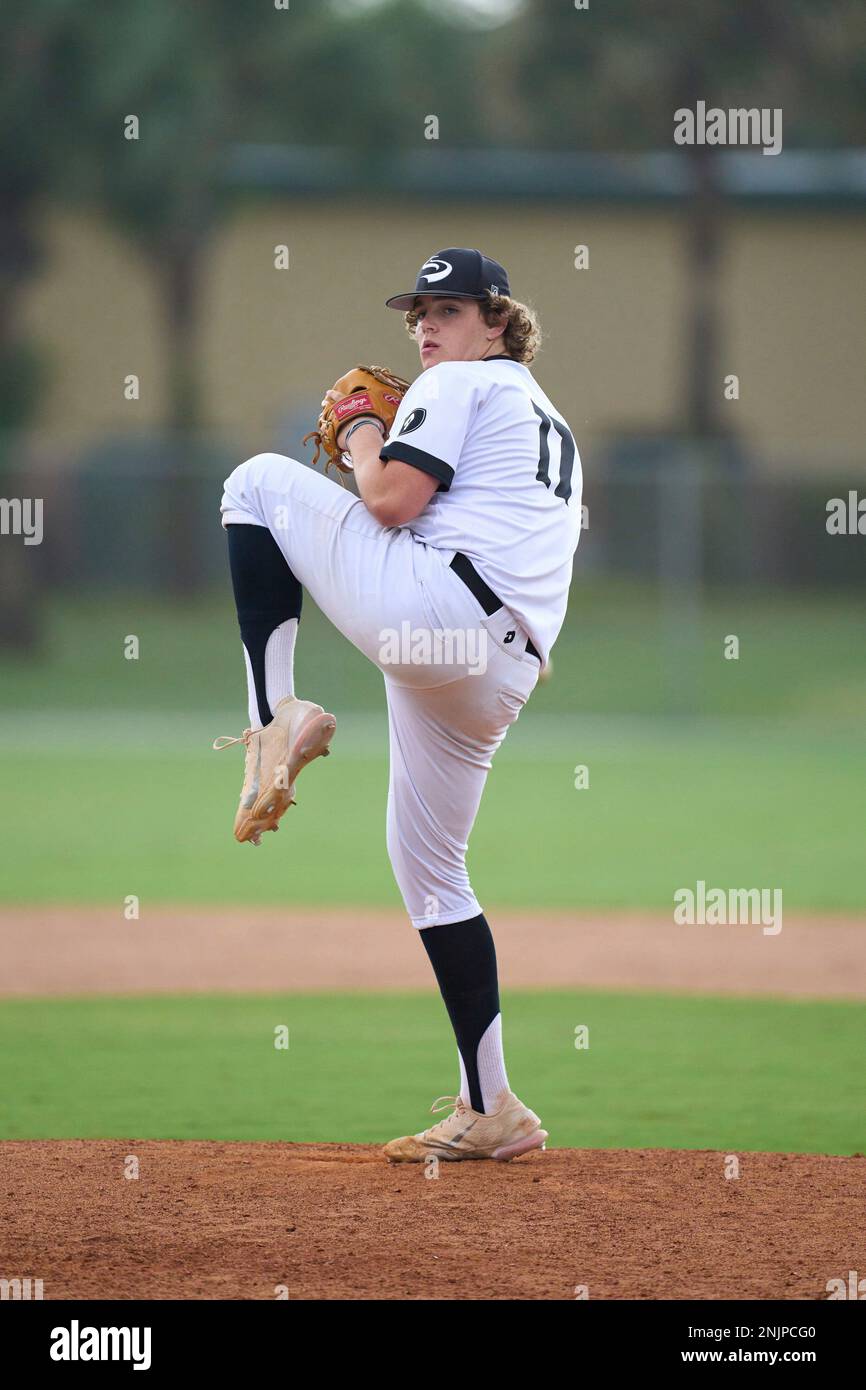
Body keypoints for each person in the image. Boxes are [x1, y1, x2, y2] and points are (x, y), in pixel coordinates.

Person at [216, 248, 582, 1162]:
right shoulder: (553, 426)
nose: (428, 327)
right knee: (432, 874)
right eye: (419, 311)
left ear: (499, 323)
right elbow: (493, 529)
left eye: (451, 309)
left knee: (255, 484)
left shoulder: (464, 384)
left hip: (438, 615)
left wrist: (357, 438)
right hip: (498, 666)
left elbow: (386, 501)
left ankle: (274, 717)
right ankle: (490, 1104)